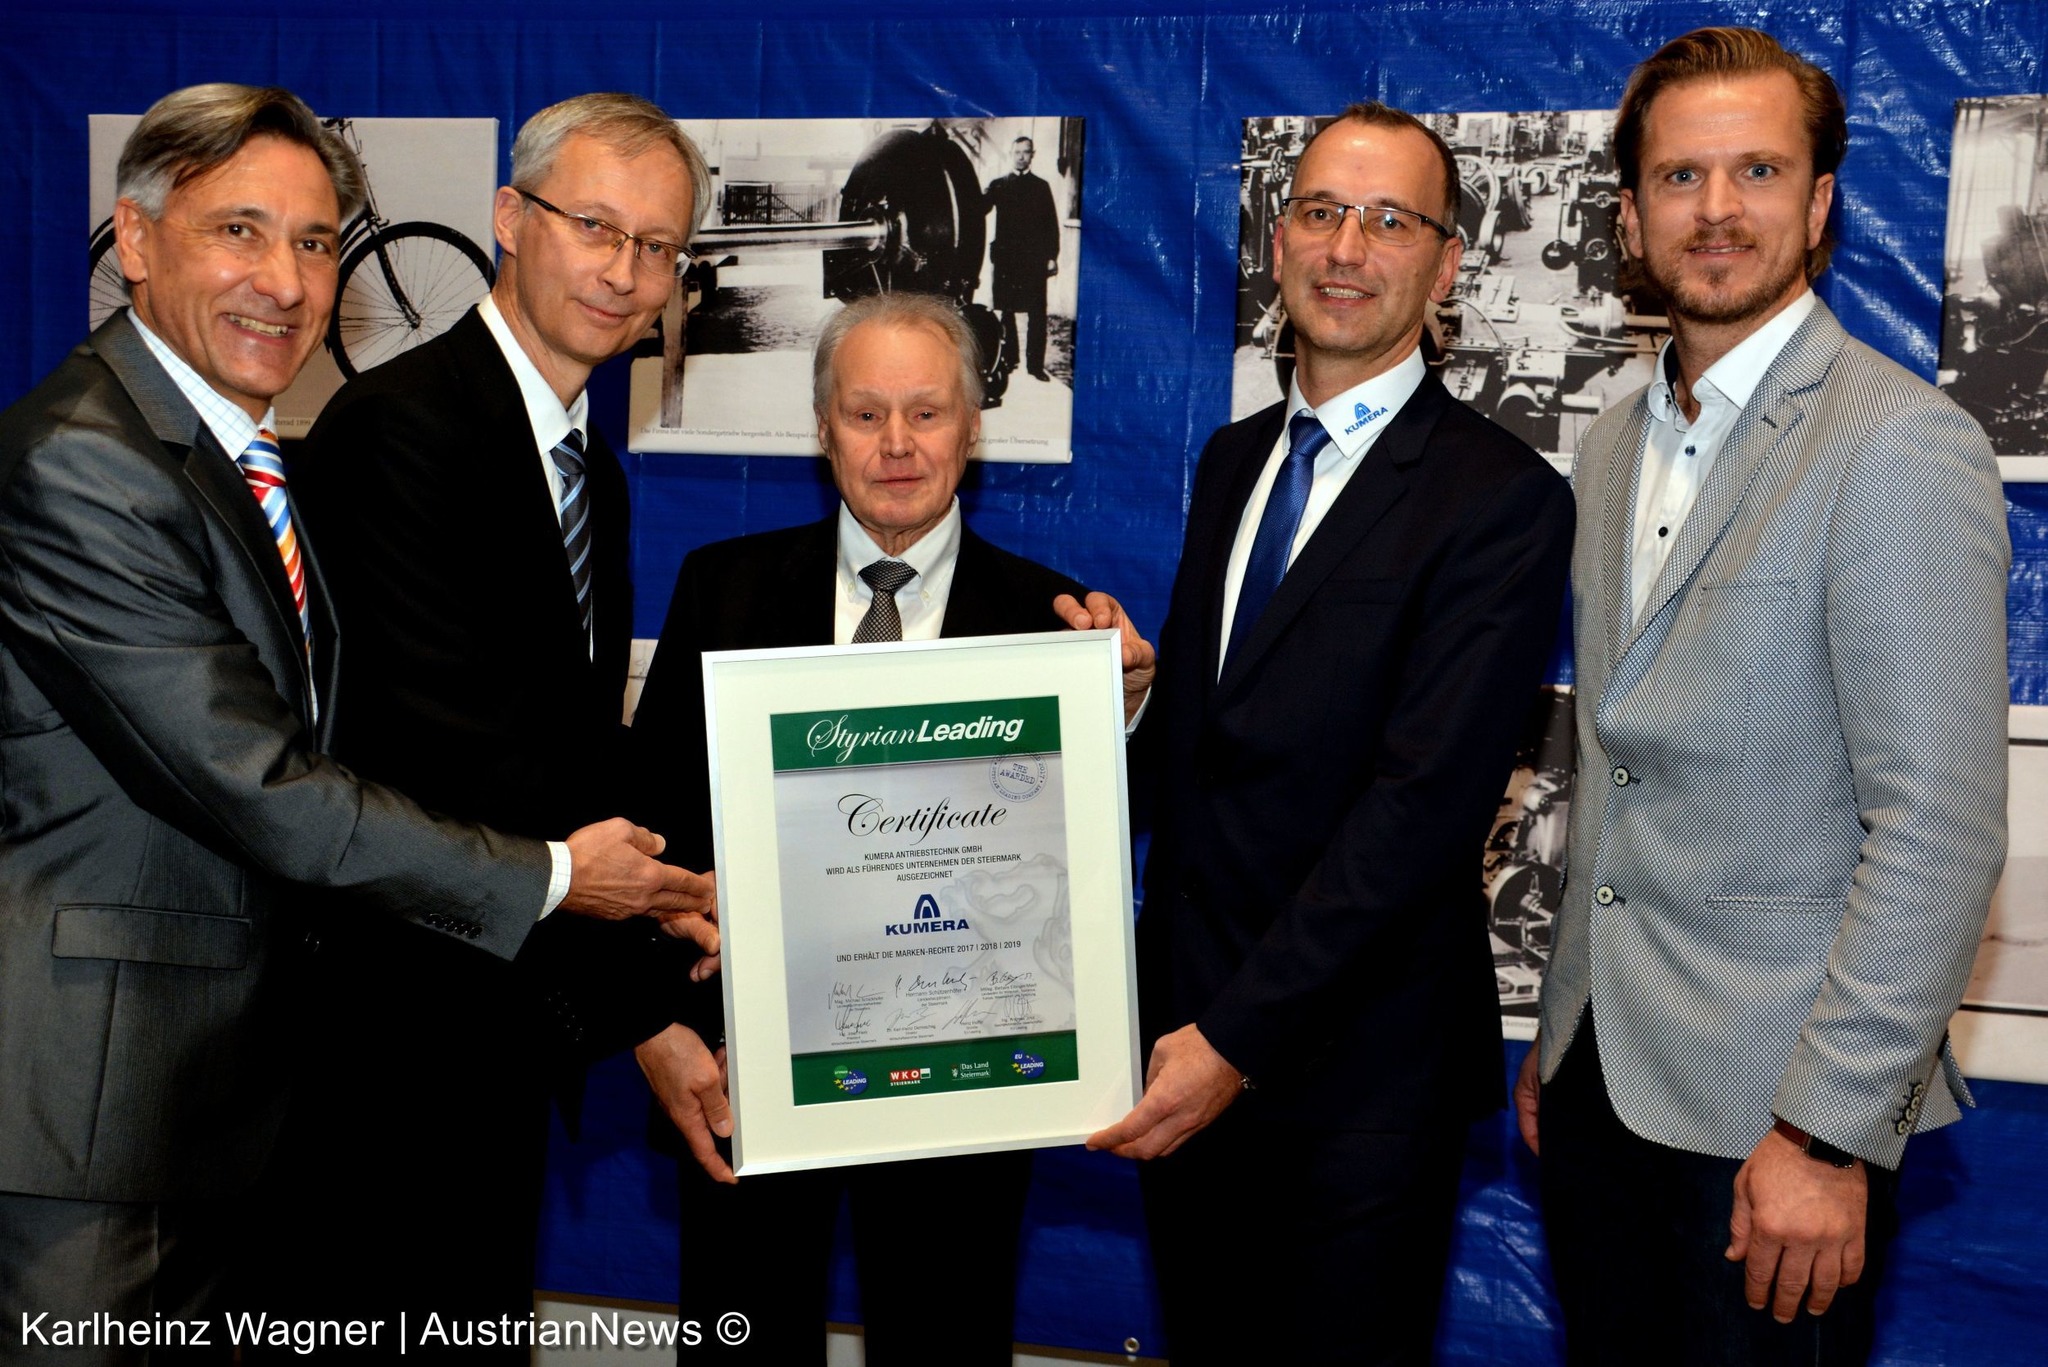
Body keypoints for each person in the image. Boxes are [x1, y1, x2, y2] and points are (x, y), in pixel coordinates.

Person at [0, 83, 705, 1362]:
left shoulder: (248, 455)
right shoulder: (107, 457)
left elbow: (545, 746)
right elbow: (293, 776)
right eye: (239, 232)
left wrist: (657, 916)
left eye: (316, 243)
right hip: (129, 1098)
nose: (283, 280)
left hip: (269, 1075)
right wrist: (585, 897)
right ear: (136, 239)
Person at [1516, 28, 2010, 1367]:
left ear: (1821, 200)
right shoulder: (1610, 445)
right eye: (1679, 177)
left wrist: (1828, 1133)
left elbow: (1938, 829)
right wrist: (1565, 1035)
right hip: (1599, 1087)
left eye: (1757, 170)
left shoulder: (1898, 443)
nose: (1717, 209)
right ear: (1629, 217)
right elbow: (1620, 774)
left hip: (1773, 1125)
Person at [1088, 103, 1574, 1365]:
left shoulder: (1502, 499)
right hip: (1179, 1041)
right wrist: (1130, 704)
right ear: (1276, 237)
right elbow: (1215, 749)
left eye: (1388, 220)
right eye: (1319, 211)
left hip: (1357, 1084)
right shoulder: (1231, 459)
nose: (1345, 248)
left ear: (1446, 264)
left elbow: (1419, 809)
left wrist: (1233, 1040)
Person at [235, 94, 720, 1349]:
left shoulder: (588, 470)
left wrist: (666, 902)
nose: (623, 271)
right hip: (390, 1044)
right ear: (509, 217)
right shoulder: (399, 428)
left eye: (656, 245)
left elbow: (572, 749)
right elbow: (455, 747)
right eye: (594, 226)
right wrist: (651, 926)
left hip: (496, 1026)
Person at [631, 290, 1152, 1365]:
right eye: (866, 414)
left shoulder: (1052, 625)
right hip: (744, 1079)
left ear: (972, 427)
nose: (898, 444)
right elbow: (654, 832)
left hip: (964, 1095)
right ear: (823, 428)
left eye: (926, 412)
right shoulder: (720, 590)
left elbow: (1086, 864)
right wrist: (655, 1025)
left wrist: (1121, 713)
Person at [983, 136, 1061, 381]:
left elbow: (1051, 225)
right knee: (1006, 310)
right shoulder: (998, 185)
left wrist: (1051, 257)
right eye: (1017, 152)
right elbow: (978, 208)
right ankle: (1010, 359)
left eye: (1026, 152)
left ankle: (1035, 366)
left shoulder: (1041, 187)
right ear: (1011, 154)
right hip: (1006, 260)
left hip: (1033, 261)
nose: (1021, 157)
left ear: (1032, 155)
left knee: (1037, 313)